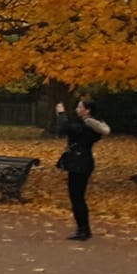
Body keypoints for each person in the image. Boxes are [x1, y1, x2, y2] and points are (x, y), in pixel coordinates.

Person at [55, 99, 111, 241]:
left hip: (79, 163)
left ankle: (83, 230)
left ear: (87, 110)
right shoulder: (90, 126)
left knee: (77, 197)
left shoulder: (87, 126)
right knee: (77, 197)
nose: (77, 109)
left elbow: (65, 128)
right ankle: (83, 229)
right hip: (83, 162)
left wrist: (61, 113)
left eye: (80, 107)